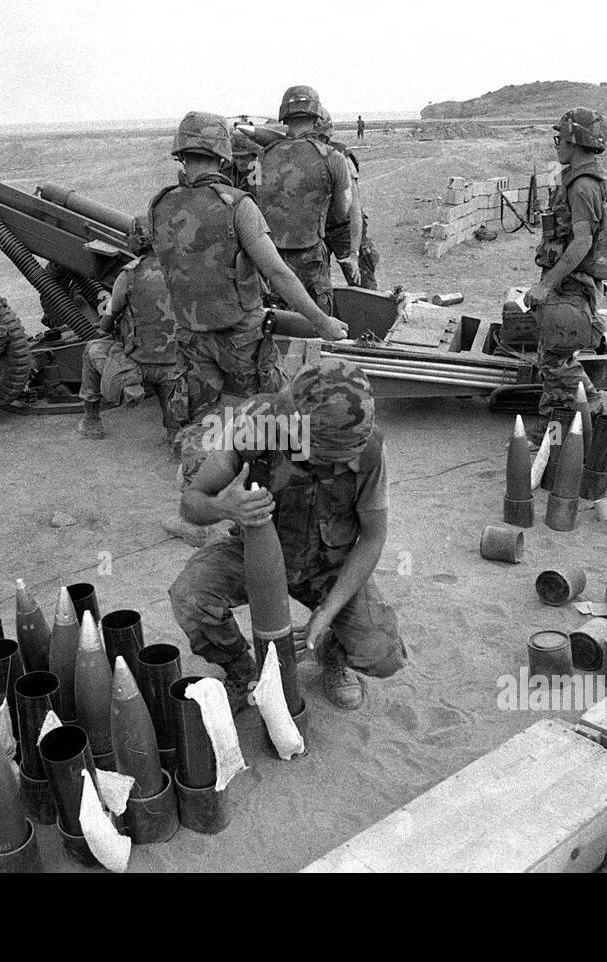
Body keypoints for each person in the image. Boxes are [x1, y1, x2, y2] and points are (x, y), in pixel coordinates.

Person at [169, 358, 407, 712]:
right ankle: (240, 670)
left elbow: (372, 538)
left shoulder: (368, 447)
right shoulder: (253, 426)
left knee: (383, 654)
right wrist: (226, 507)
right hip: (254, 554)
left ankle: (332, 653)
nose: (339, 467)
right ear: (295, 427)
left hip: (329, 564)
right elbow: (191, 504)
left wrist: (326, 614)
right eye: (328, 456)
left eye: (346, 458)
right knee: (190, 595)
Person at [148, 111, 347, 534]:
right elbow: (277, 273)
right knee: (276, 417)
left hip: (190, 337)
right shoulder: (237, 206)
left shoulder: (161, 204)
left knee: (201, 424)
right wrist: (322, 321)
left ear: (183, 154)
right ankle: (287, 508)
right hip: (242, 338)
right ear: (222, 156)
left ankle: (195, 518)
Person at [524, 108, 607, 437]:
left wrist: (546, 285)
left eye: (561, 137)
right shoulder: (582, 180)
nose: (557, 144)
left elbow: (581, 243)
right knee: (551, 357)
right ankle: (551, 434)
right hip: (569, 286)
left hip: (572, 288)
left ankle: (595, 418)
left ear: (575, 140)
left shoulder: (582, 187)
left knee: (557, 362)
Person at [255, 86, 361, 312]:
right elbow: (342, 210)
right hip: (311, 257)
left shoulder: (263, 157)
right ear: (316, 115)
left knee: (278, 322)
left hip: (271, 258)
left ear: (285, 116)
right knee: (318, 323)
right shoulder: (332, 158)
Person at [76, 217, 179, 445]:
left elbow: (107, 323)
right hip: (175, 364)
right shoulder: (180, 271)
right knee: (173, 398)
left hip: (137, 364)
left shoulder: (129, 275)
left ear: (134, 242)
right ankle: (174, 434)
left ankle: (92, 422)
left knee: (92, 350)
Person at [314, 113, 379, 290]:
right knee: (317, 287)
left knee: (363, 288)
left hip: (345, 228)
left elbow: (354, 210)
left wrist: (354, 253)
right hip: (319, 230)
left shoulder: (340, 156)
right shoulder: (305, 158)